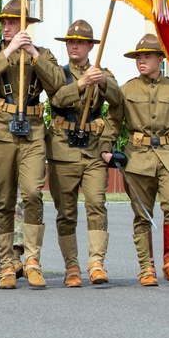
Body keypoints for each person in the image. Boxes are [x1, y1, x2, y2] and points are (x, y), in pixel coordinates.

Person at [0, 0, 64, 289]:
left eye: (12, 22)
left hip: (33, 131)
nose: (6, 26)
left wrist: (32, 52)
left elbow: (58, 84)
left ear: (26, 26)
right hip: (0, 130)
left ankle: (33, 260)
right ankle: (7, 263)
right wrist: (10, 50)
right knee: (4, 198)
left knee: (33, 193)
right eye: (3, 22)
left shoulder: (43, 53)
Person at [46, 20, 123, 286]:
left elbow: (118, 105)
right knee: (65, 212)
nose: (74, 46)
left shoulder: (102, 73)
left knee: (96, 204)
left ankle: (96, 263)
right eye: (70, 41)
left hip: (92, 150)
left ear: (91, 46)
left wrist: (102, 83)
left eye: (79, 42)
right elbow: (55, 99)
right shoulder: (59, 73)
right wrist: (81, 84)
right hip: (62, 150)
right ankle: (72, 268)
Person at [119, 34, 169, 286]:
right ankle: (146, 268)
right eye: (138, 57)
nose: (141, 61)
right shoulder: (127, 89)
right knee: (142, 213)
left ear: (160, 59)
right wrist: (106, 150)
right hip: (137, 158)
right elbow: (113, 122)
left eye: (147, 57)